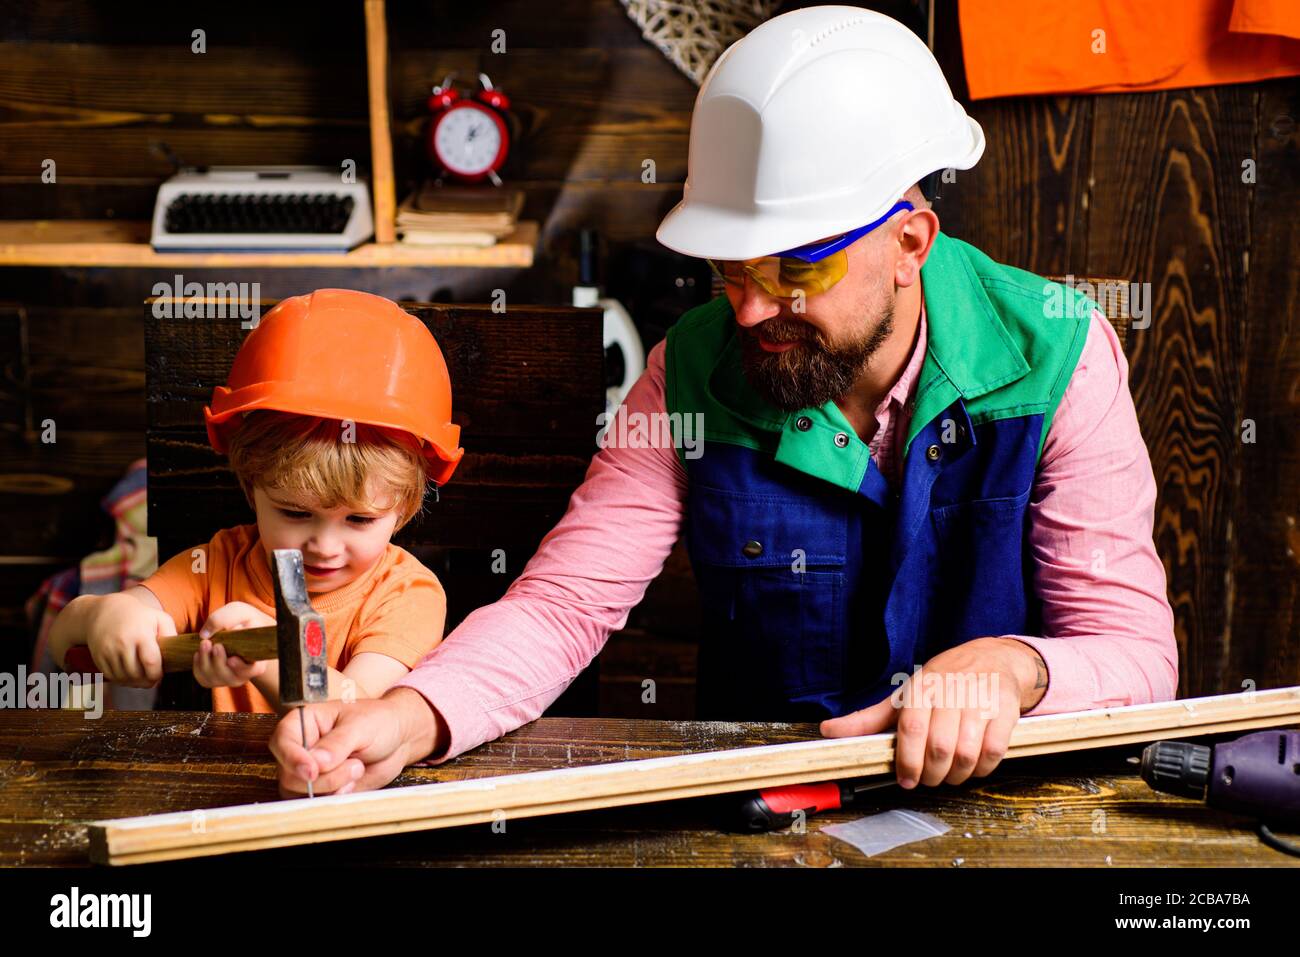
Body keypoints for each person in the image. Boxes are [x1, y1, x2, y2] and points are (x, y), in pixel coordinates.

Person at [271, 7, 1177, 797]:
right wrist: (412, 715)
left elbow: (1138, 656)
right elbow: (564, 606)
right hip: (761, 817)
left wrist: (1015, 667)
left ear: (911, 240)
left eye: (796, 268)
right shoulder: (692, 368)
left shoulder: (1060, 355)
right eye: (730, 269)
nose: (748, 307)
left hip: (1006, 811)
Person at [48, 289, 464, 714]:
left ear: (403, 508)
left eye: (358, 519)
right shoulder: (216, 565)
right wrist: (106, 616)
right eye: (295, 513)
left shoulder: (409, 596)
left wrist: (266, 651)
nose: (325, 545)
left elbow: (352, 711)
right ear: (252, 488)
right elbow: (64, 641)